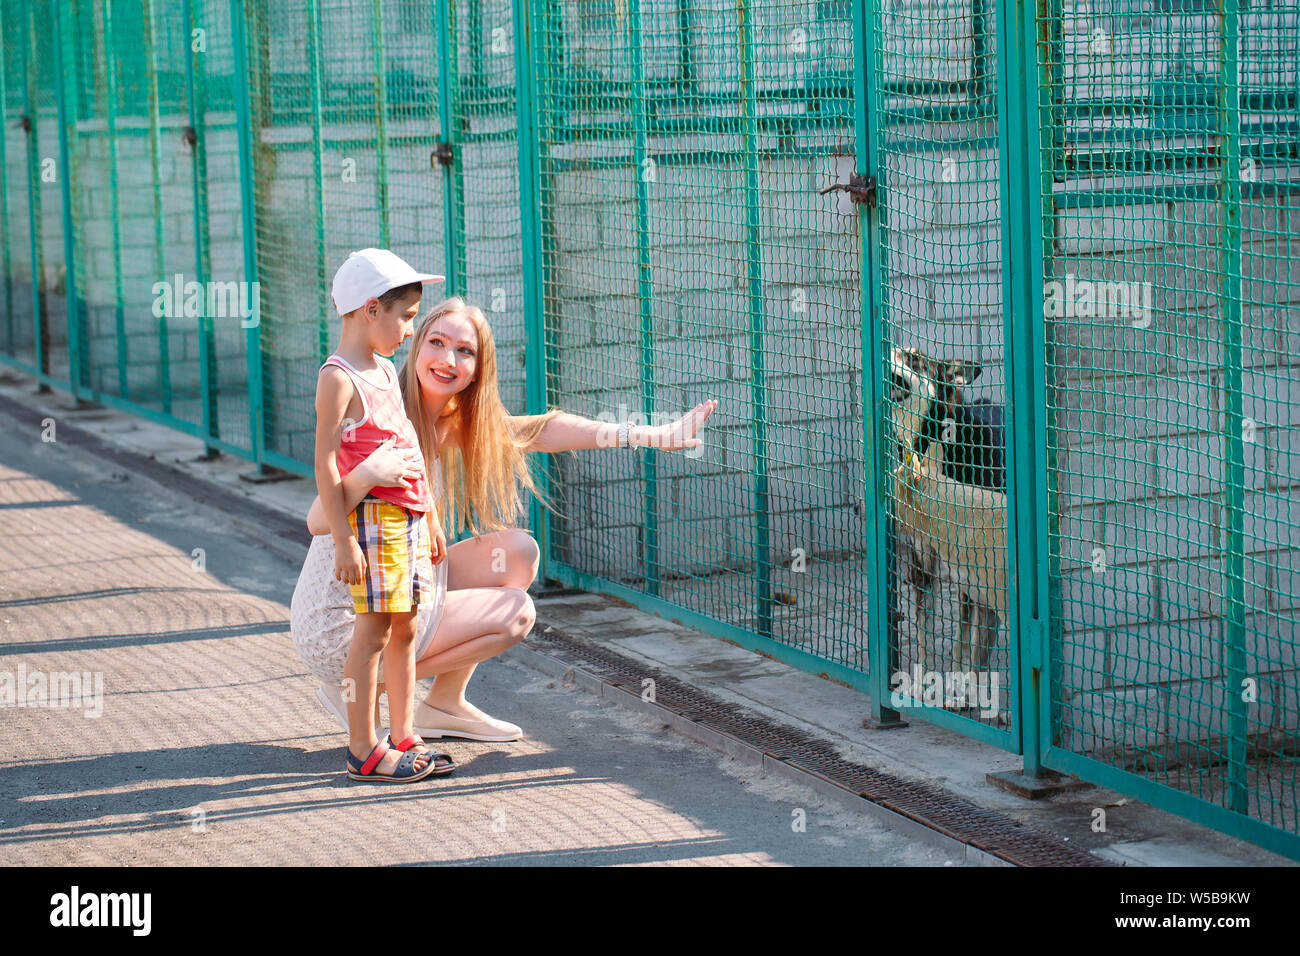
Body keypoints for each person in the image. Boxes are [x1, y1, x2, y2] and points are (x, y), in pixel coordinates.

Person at [292, 295, 717, 755]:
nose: (448, 359)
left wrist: (650, 435)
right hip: (340, 620)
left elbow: (542, 431)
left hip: (392, 584)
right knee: (516, 611)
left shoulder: (449, 420)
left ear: (478, 368)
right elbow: (317, 518)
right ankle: (360, 688)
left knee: (519, 554)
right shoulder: (382, 410)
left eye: (465, 351)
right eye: (436, 342)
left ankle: (444, 704)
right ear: (416, 348)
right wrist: (370, 473)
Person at [313, 248, 451, 783]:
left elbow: (407, 442)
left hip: (409, 518)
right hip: (372, 522)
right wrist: (345, 540)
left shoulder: (387, 370)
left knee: (406, 627)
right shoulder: (338, 378)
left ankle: (404, 734)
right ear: (371, 309)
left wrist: (431, 513)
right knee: (370, 632)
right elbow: (325, 463)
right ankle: (363, 748)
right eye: (406, 317)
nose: (410, 330)